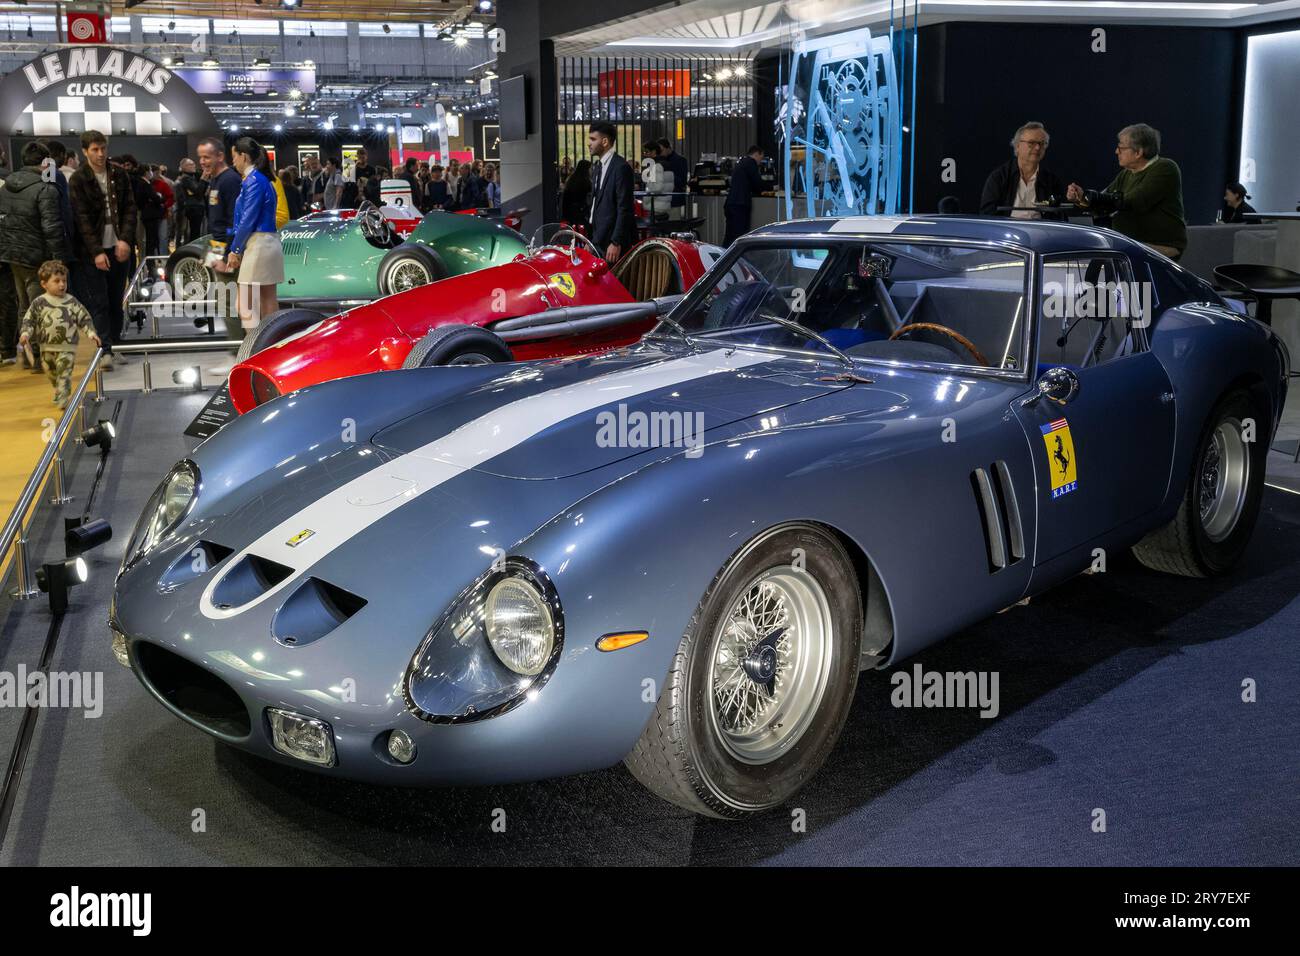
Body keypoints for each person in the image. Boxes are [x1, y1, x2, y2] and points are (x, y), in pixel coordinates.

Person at [0, 141, 71, 373]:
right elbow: (51, 227)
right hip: (36, 255)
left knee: (24, 306)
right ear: (45, 162)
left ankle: (30, 353)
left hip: (11, 254)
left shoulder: (6, 187)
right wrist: (59, 261)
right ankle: (42, 357)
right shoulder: (45, 188)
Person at [1067, 123, 1187, 259]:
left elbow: (1134, 201)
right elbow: (1106, 200)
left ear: (1138, 152)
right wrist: (1082, 198)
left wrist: (1093, 198)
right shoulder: (1127, 173)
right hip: (1131, 244)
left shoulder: (1166, 168)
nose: (1116, 152)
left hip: (1160, 246)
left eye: (1121, 148)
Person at [68, 130, 136, 367]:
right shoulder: (78, 178)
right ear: (85, 151)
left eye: (103, 148)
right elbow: (82, 219)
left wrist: (126, 240)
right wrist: (96, 251)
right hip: (91, 252)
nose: (100, 154)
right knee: (99, 301)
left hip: (120, 247)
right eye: (95, 149)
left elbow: (129, 208)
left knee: (116, 299)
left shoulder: (119, 174)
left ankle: (115, 345)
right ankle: (104, 349)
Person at [218, 137, 283, 349]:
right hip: (266, 243)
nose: (233, 161)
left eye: (234, 157)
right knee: (267, 301)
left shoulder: (254, 181)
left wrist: (235, 249)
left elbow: (248, 218)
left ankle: (255, 349)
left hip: (259, 244)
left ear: (243, 156)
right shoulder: (260, 179)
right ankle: (270, 348)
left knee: (244, 303)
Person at [18, 260, 100, 408]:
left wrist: (91, 333)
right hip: (46, 347)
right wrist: (25, 334)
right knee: (51, 373)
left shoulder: (71, 301)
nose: (62, 284)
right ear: (44, 284)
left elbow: (84, 318)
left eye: (64, 281)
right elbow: (29, 319)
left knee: (64, 371)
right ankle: (58, 389)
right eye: (56, 281)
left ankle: (63, 396)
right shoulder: (39, 302)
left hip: (67, 346)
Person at [979, 121, 1068, 219]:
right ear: (1017, 146)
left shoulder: (1052, 181)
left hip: (1041, 231)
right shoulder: (999, 178)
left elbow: (1061, 216)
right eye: (1031, 143)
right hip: (1008, 230)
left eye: (1042, 143)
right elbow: (987, 214)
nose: (1038, 147)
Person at [587, 121, 635, 263]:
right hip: (597, 241)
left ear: (605, 141)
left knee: (614, 284)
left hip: (612, 244)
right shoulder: (597, 167)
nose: (589, 143)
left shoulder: (621, 167)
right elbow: (595, 205)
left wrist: (616, 242)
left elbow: (625, 208)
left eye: (593, 139)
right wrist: (591, 240)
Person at [723, 145, 766, 247]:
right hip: (740, 205)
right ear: (756, 154)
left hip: (731, 203)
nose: (761, 161)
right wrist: (772, 187)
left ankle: (723, 259)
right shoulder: (751, 163)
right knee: (739, 237)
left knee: (730, 236)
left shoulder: (741, 162)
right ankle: (735, 261)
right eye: (761, 157)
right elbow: (758, 184)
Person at [175, 157, 206, 245]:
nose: (194, 166)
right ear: (184, 167)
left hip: (195, 208)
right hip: (193, 209)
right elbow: (198, 191)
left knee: (196, 233)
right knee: (194, 234)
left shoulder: (192, 178)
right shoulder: (186, 178)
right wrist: (204, 179)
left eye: (194, 164)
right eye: (191, 164)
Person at [656, 138, 689, 217]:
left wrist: (668, 173)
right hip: (660, 202)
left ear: (668, 148)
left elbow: (682, 182)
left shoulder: (680, 160)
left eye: (661, 150)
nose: (659, 153)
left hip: (674, 202)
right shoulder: (658, 161)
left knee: (674, 226)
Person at [561, 158, 593, 227]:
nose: (591, 170)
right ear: (586, 169)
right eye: (590, 168)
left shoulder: (572, 178)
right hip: (580, 213)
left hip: (569, 213)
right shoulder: (585, 182)